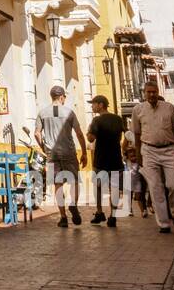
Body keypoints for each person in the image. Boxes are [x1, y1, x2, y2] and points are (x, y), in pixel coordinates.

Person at [130, 80, 174, 233]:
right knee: (155, 188)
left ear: (158, 92)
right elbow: (137, 135)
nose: (151, 94)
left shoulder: (168, 108)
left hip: (169, 150)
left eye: (154, 92)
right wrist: (138, 156)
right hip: (148, 151)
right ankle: (164, 223)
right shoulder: (138, 110)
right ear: (144, 93)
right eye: (148, 92)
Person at [33, 85, 88, 228]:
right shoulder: (68, 112)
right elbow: (79, 133)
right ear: (62, 97)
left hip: (53, 153)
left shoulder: (43, 113)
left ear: (52, 97)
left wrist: (44, 148)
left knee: (57, 184)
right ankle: (73, 205)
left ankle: (63, 217)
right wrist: (84, 152)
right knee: (74, 181)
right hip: (68, 151)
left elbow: (37, 133)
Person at [87, 95, 126, 227]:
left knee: (98, 187)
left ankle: (99, 212)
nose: (92, 106)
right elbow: (124, 136)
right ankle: (113, 216)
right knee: (114, 188)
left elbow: (91, 139)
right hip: (116, 158)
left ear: (101, 105)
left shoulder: (96, 120)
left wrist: (89, 132)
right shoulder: (118, 119)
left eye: (93, 104)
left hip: (101, 159)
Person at [125, 145, 149, 218]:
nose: (132, 154)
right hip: (128, 181)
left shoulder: (139, 162)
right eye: (130, 153)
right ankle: (129, 210)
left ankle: (143, 211)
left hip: (137, 182)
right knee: (129, 197)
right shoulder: (126, 161)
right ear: (127, 155)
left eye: (134, 152)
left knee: (139, 196)